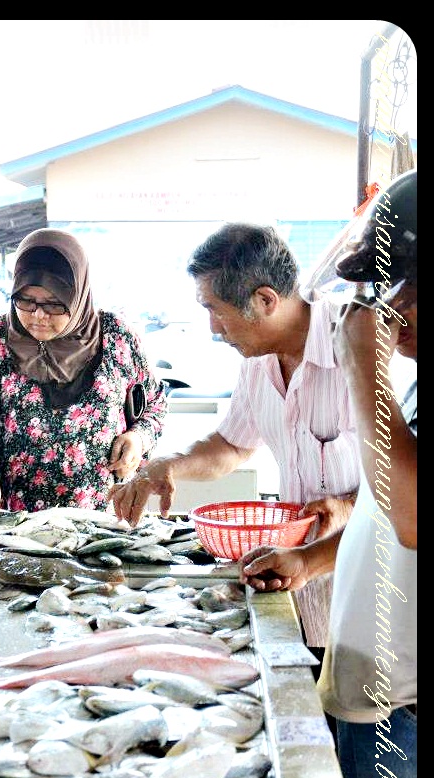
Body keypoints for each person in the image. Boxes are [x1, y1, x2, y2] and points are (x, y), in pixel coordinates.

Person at [237, 169, 417, 778]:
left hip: (407, 714)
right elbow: (385, 507)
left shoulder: (386, 378)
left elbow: (412, 516)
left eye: (408, 285)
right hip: (374, 694)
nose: (394, 306)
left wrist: (364, 368)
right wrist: (309, 561)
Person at [109, 223, 360, 663]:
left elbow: (406, 478)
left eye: (216, 310)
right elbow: (232, 444)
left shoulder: (358, 347)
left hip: (369, 594)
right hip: (297, 584)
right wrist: (172, 464)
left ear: (265, 300)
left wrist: (349, 505)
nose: (212, 327)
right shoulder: (257, 360)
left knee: (372, 727)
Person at [0, 228, 167, 513]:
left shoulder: (116, 337)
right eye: (25, 300)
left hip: (103, 523)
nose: (38, 315)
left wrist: (138, 439)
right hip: (15, 525)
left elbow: (154, 407)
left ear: (78, 296)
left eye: (54, 304)